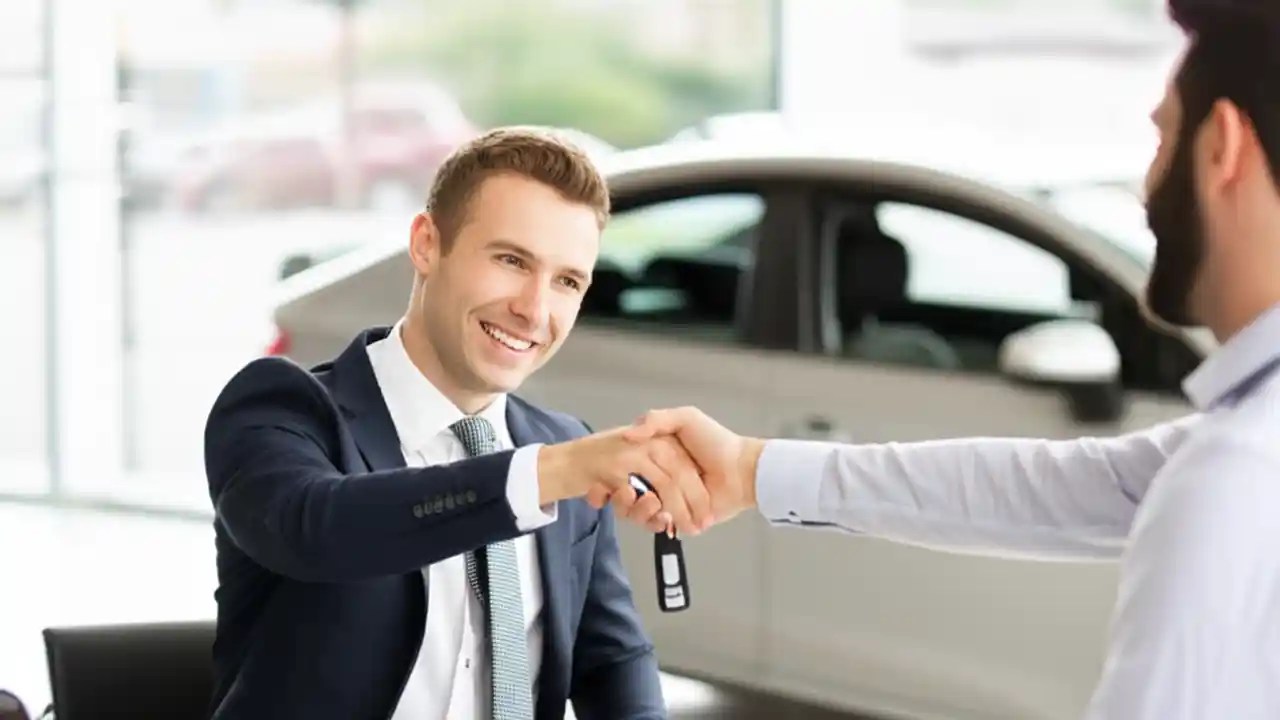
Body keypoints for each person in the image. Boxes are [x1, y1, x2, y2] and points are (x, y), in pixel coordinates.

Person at [610, 3, 1280, 717]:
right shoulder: (1243, 440)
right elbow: (1068, 487)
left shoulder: (1236, 470)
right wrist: (751, 470)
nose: (1148, 187)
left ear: (1222, 149)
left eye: (1162, 140)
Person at [203, 127, 711, 720]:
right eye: (511, 260)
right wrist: (546, 475)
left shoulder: (561, 446)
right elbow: (321, 529)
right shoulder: (281, 409)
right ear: (426, 244)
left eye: (567, 281)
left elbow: (613, 660)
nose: (535, 309)